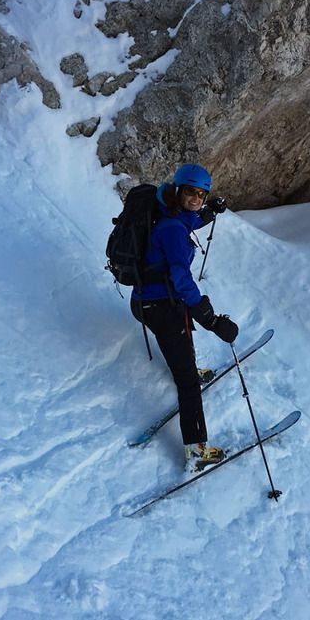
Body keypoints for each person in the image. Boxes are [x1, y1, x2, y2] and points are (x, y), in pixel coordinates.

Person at [130, 163, 239, 473]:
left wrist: (210, 213)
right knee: (188, 384)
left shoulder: (165, 209)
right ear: (178, 189)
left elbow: (187, 221)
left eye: (202, 194)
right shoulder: (172, 230)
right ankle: (196, 450)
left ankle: (187, 364)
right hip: (159, 306)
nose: (196, 198)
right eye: (191, 191)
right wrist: (212, 321)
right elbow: (182, 280)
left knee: (179, 332)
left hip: (146, 302)